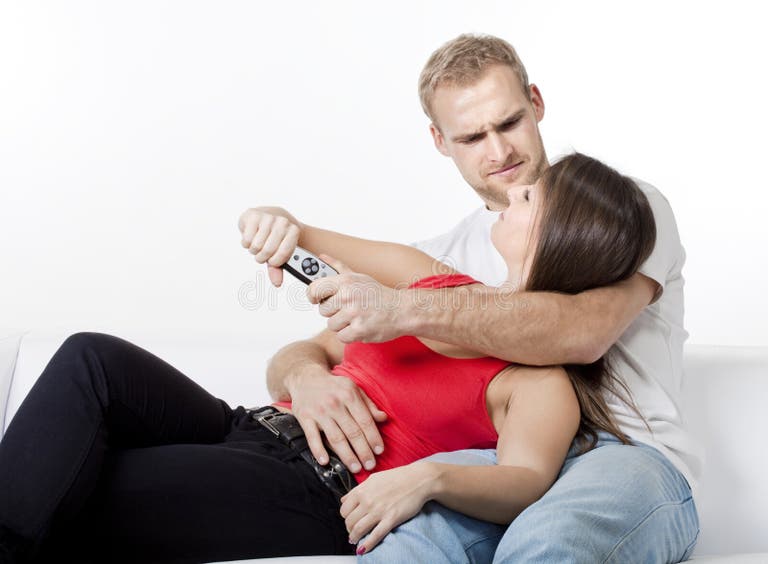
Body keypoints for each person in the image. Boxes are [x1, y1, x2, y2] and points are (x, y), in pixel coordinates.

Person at [1, 153, 653, 563]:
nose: (513, 192)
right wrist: (307, 372)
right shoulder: (431, 280)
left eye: (532, 197)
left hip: (312, 487)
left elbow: (525, 482)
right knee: (89, 358)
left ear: (560, 238)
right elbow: (299, 247)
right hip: (248, 424)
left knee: (80, 484)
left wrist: (430, 479)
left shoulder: (539, 380)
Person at [262, 34, 701, 562]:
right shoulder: (441, 256)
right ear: (440, 141)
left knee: (551, 541)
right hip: (494, 460)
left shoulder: (620, 206)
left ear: (535, 103)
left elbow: (581, 332)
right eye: (472, 137)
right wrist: (307, 378)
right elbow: (316, 346)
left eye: (509, 123)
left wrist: (405, 309)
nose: (499, 152)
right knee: (403, 544)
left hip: (622, 452)